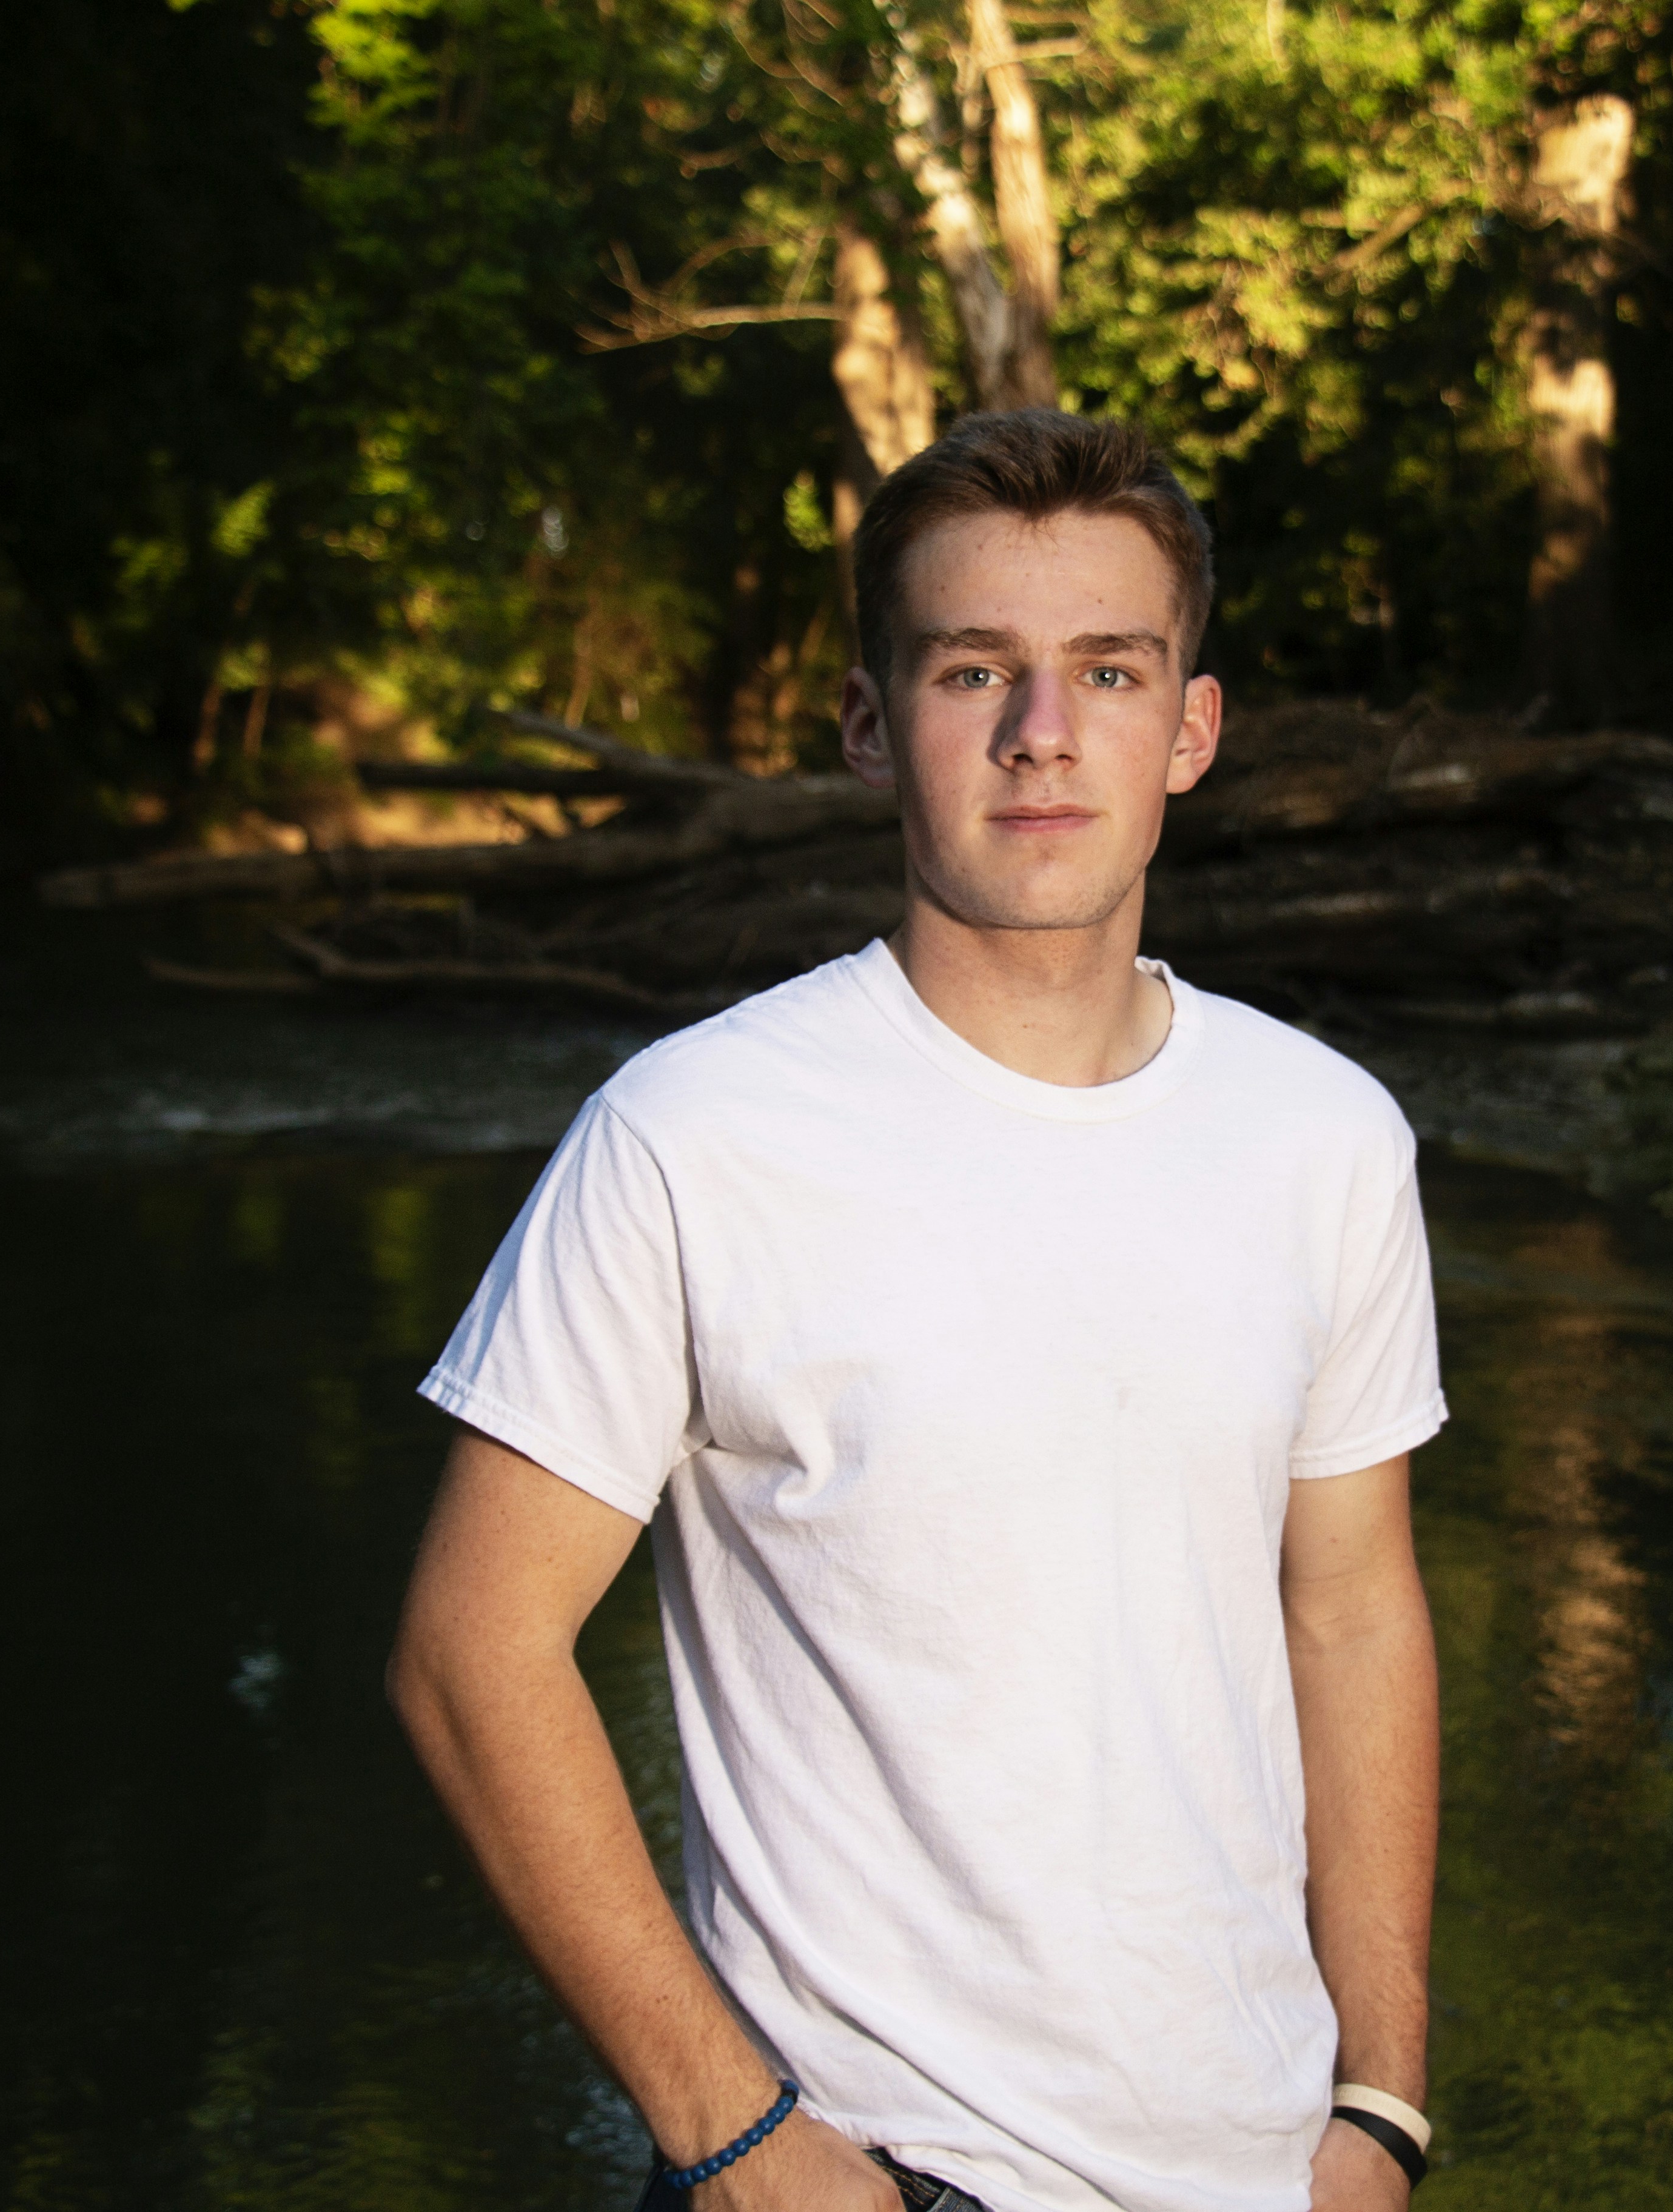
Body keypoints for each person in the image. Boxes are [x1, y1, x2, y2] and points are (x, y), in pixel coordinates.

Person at [389, 409, 1445, 2212]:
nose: (1045, 736)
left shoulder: (1325, 1137)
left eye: (1108, 671)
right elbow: (468, 1656)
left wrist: (1384, 2104)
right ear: (874, 725)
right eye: (978, 672)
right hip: (876, 2179)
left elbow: (1350, 1610)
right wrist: (730, 2136)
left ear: (1189, 729)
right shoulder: (693, 1137)